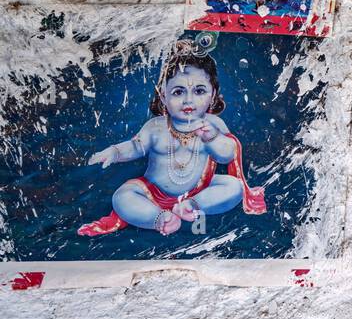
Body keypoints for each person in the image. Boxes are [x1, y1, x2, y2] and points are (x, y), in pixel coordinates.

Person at [78, 42, 266, 237]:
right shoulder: (156, 127)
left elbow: (228, 154)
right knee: (122, 197)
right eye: (178, 92)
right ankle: (161, 219)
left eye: (199, 91)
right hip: (153, 193)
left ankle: (190, 207)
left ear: (213, 95)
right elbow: (135, 147)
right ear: (163, 96)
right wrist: (115, 152)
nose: (188, 100)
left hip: (197, 191)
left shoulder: (213, 124)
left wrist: (213, 138)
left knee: (233, 187)